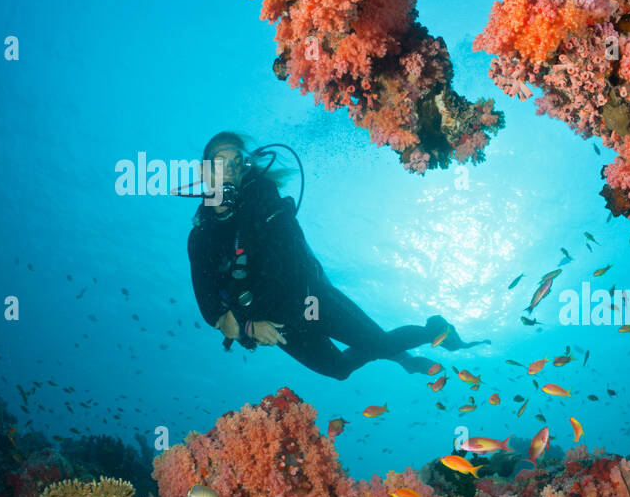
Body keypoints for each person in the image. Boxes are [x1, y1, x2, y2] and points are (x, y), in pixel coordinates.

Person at [188, 131, 487, 379]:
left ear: (246, 169)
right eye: (219, 164)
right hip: (276, 322)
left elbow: (286, 264)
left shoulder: (266, 205)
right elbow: (211, 310)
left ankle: (435, 330)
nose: (228, 172)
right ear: (204, 172)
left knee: (380, 343)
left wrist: (246, 321)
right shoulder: (201, 238)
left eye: (236, 163)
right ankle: (401, 358)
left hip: (310, 298)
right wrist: (249, 325)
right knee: (339, 370)